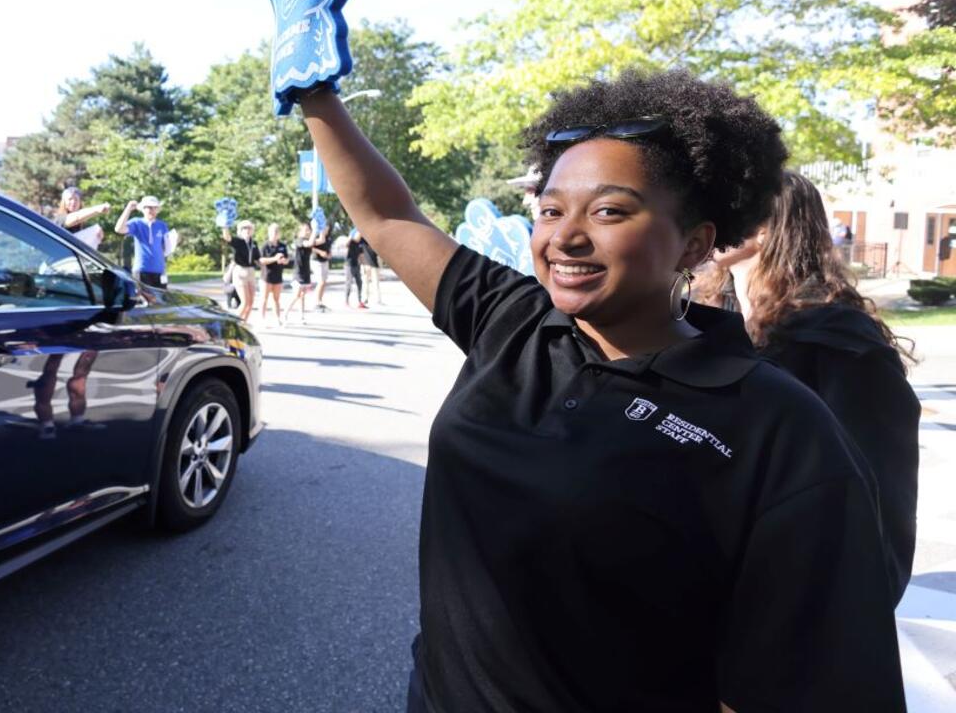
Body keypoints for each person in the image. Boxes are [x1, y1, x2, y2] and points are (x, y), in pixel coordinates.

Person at [296, 69, 903, 712]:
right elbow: (389, 216)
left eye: (609, 210)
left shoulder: (774, 427)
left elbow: (797, 682)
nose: (565, 236)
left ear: (694, 244)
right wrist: (314, 94)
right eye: (551, 210)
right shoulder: (515, 323)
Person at [705, 170, 920, 605]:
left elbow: (874, 477)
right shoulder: (719, 317)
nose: (702, 224)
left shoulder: (835, 336)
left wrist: (858, 594)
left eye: (723, 212)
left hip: (806, 586)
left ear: (765, 230)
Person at [115, 195, 172, 288]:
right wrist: (128, 209)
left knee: (160, 300)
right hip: (142, 270)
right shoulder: (137, 223)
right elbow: (119, 229)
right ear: (143, 209)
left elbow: (167, 246)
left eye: (155, 208)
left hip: (159, 270)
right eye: (149, 207)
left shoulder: (162, 225)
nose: (152, 210)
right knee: (143, 300)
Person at [221, 219, 260, 322]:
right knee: (244, 302)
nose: (247, 230)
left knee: (250, 302)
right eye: (244, 228)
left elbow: (258, 259)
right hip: (240, 271)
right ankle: (233, 323)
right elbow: (227, 237)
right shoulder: (239, 242)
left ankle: (243, 323)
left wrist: (273, 260)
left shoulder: (253, 243)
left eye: (249, 228)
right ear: (240, 230)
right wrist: (225, 226)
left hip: (251, 272)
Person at [258, 222, 290, 326]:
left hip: (278, 275)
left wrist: (284, 261)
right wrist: (274, 259)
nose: (275, 233)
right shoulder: (265, 245)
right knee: (264, 299)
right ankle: (262, 318)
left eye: (277, 231)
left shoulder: (282, 246)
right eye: (273, 231)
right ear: (269, 233)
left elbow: (287, 259)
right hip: (266, 276)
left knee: (276, 299)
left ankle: (277, 318)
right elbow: (261, 260)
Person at [284, 222, 317, 324]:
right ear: (300, 231)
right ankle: (285, 312)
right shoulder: (299, 241)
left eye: (309, 229)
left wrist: (321, 230)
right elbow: (309, 244)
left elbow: (318, 241)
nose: (308, 231)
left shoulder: (308, 240)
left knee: (302, 295)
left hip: (306, 271)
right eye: (305, 229)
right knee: (297, 295)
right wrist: (315, 231)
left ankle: (301, 316)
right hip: (298, 272)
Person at [311, 224, 333, 312]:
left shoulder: (329, 238)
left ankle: (320, 301)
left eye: (327, 227)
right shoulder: (317, 236)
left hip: (325, 261)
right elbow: (310, 247)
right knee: (321, 282)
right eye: (325, 227)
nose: (326, 229)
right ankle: (316, 302)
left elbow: (328, 248)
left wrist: (330, 253)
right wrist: (320, 252)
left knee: (324, 282)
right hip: (316, 261)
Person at [343, 229, 366, 309]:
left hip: (357, 265)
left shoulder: (360, 242)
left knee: (359, 282)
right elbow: (346, 244)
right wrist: (350, 236)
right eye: (359, 234)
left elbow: (361, 255)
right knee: (348, 283)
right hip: (349, 264)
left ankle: (360, 301)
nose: (360, 236)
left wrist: (363, 265)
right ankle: (346, 301)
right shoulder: (351, 241)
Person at [362, 237, 383, 305]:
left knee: (367, 282)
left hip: (368, 263)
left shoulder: (363, 240)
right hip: (371, 263)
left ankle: (366, 298)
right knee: (374, 282)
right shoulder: (373, 239)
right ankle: (376, 299)